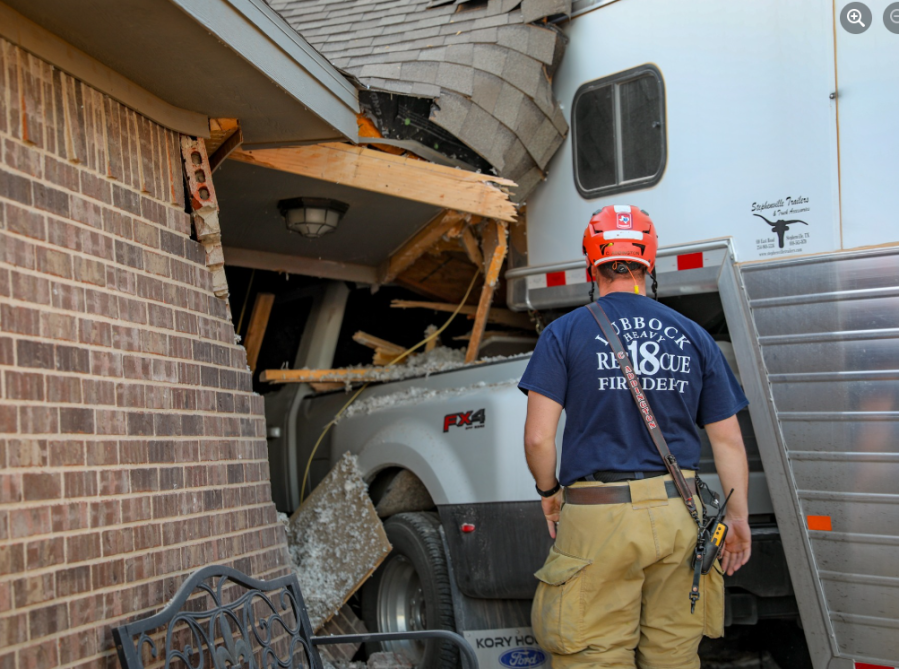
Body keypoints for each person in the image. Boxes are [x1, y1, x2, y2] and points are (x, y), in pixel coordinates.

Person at [519, 205, 752, 669]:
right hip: (680, 514)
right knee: (673, 656)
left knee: (594, 657)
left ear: (590, 265)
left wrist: (549, 494)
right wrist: (738, 520)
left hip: (598, 517)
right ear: (650, 262)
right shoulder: (693, 336)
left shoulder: (564, 333)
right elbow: (727, 442)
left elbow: (539, 438)